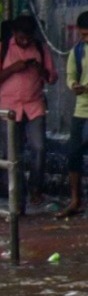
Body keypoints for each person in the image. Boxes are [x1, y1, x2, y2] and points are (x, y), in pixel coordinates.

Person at [0, 13, 57, 210]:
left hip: (34, 105)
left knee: (39, 148)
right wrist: (12, 69)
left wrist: (40, 69)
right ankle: (18, 195)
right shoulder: (1, 50)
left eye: (28, 38)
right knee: (13, 154)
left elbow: (52, 78)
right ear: (14, 33)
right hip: (9, 107)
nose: (25, 42)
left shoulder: (41, 49)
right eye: (21, 38)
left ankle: (35, 188)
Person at [62, 12, 88, 217]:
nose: (86, 38)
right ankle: (75, 199)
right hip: (81, 109)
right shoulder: (77, 51)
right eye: (84, 34)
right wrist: (74, 86)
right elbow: (69, 76)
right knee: (73, 154)